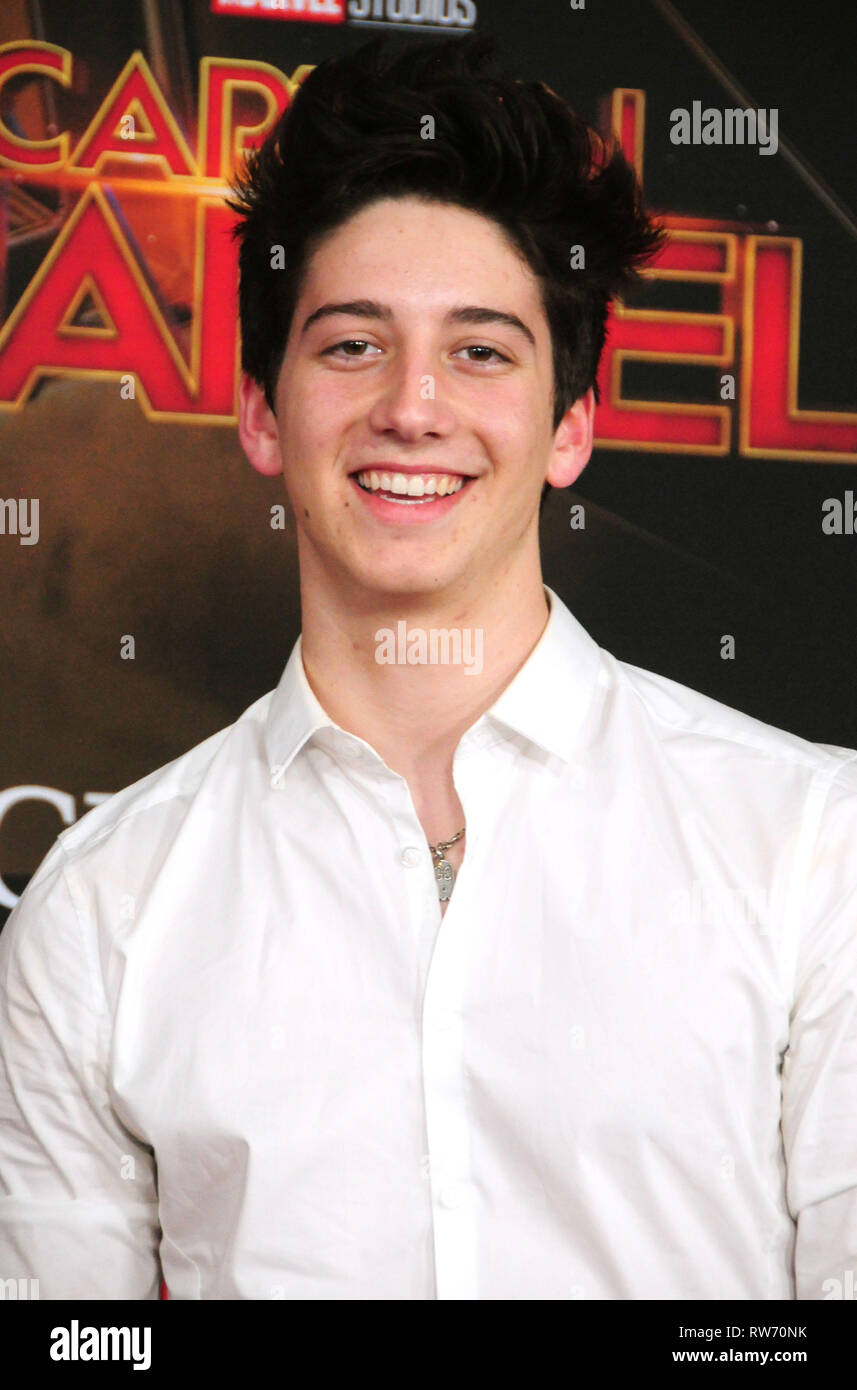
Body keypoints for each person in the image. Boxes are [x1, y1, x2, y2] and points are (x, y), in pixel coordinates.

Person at [1, 31, 855, 1302]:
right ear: (257, 411)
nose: (413, 405)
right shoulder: (101, 909)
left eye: (481, 350)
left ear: (570, 422)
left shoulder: (808, 843)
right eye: (350, 344)